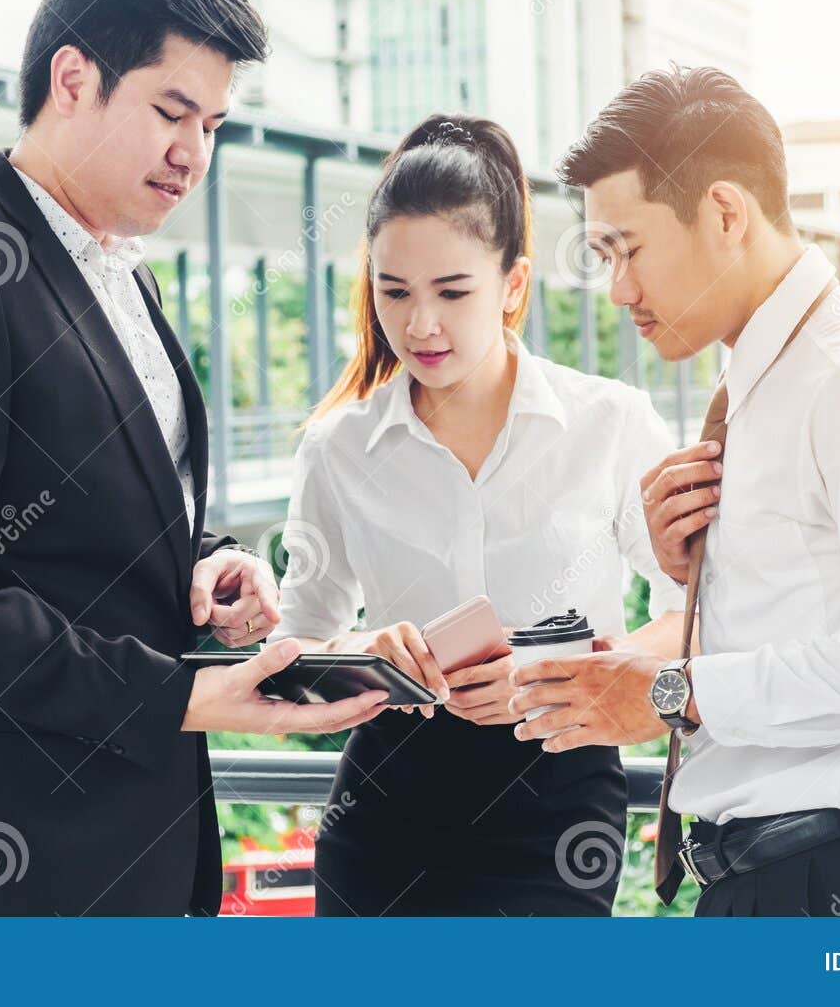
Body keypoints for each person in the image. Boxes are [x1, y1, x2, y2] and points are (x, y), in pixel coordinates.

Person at [0, 0, 387, 917]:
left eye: (213, 124)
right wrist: (170, 693)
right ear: (74, 78)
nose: (193, 154)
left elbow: (94, 521)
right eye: (171, 112)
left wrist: (204, 561)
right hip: (0, 850)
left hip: (134, 840)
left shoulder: (120, 269)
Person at [508, 66, 840, 917]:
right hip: (762, 883)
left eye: (629, 249)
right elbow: (802, 610)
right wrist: (696, 568)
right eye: (603, 258)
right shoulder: (759, 381)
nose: (619, 289)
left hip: (837, 887)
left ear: (726, 213)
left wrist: (671, 689)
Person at [269, 113, 692, 916]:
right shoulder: (338, 447)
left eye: (452, 292)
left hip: (558, 809)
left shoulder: (610, 424)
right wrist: (365, 649)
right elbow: (293, 652)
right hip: (384, 814)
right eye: (394, 292)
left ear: (515, 285)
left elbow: (688, 612)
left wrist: (577, 678)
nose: (420, 324)